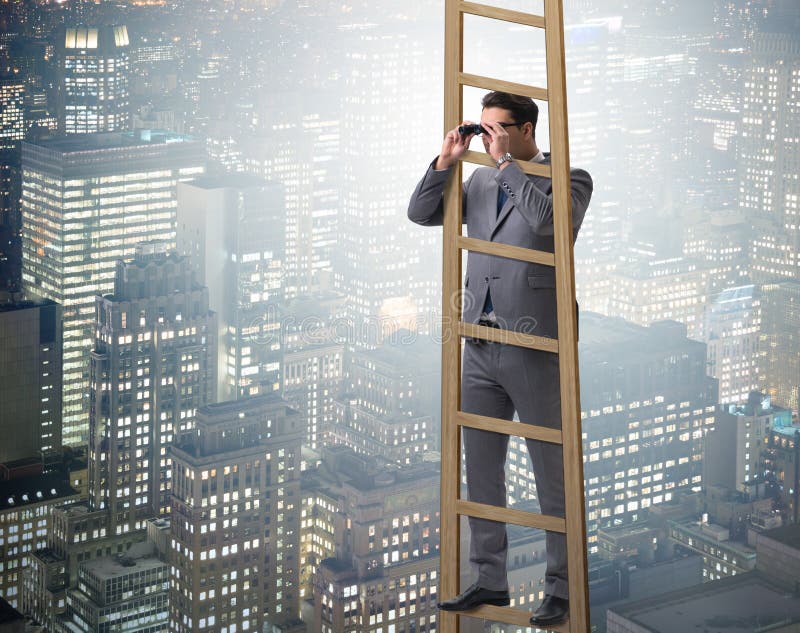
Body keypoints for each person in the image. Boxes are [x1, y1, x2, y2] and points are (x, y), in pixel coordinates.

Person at [407, 91, 592, 626]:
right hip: (479, 342)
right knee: (482, 472)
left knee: (551, 473)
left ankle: (560, 588)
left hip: (537, 347)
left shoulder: (571, 179)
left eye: (496, 130)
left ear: (527, 129)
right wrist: (446, 161)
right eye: (481, 130)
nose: (486, 140)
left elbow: (546, 225)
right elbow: (421, 214)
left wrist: (507, 163)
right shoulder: (481, 180)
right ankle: (491, 581)